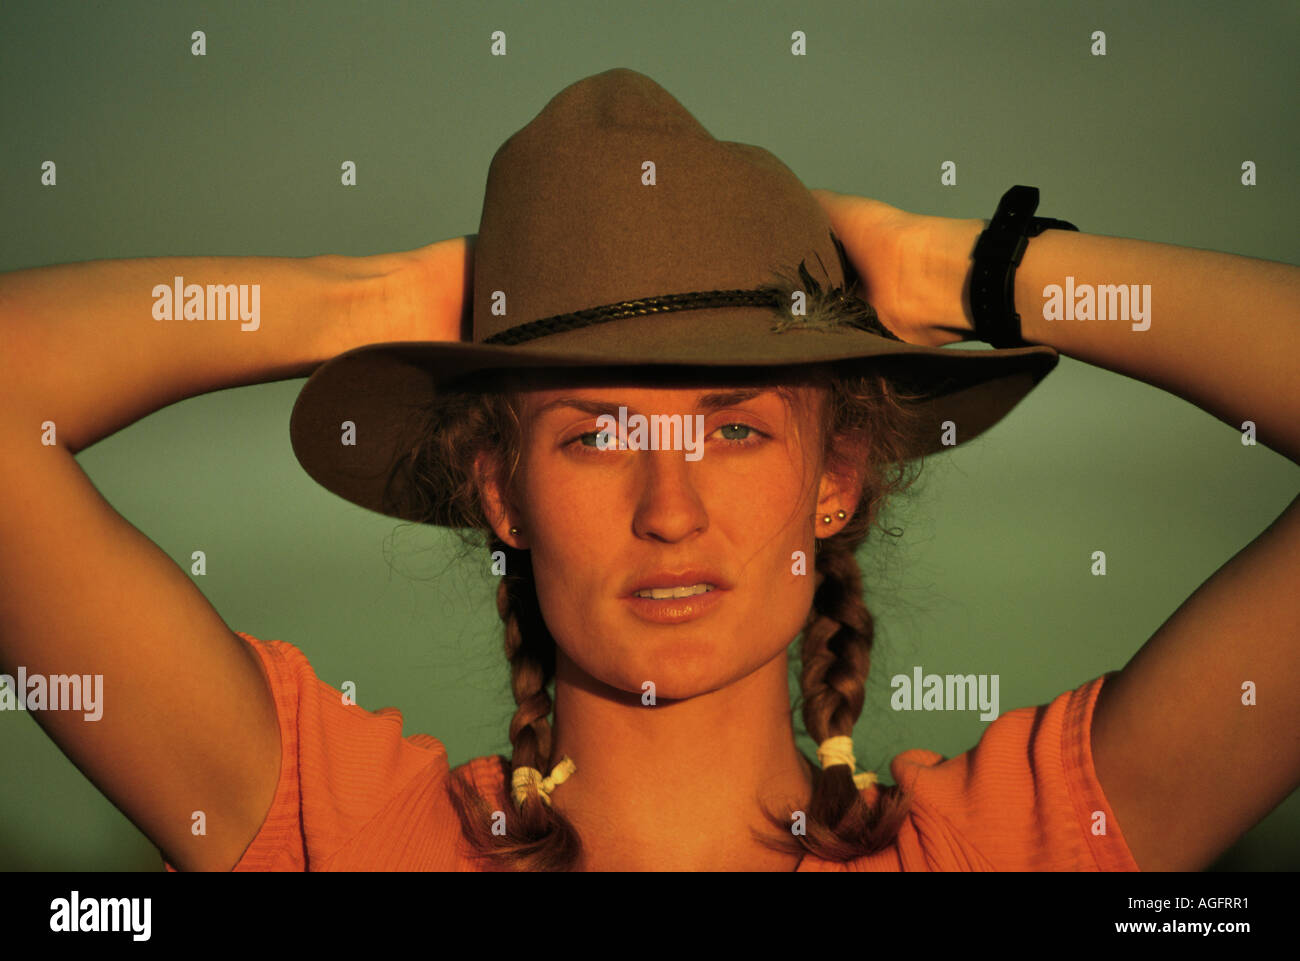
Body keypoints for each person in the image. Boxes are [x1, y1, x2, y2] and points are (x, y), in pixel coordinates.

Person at [1, 68, 1296, 872]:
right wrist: (383, 298)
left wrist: (985, 269)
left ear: (834, 473)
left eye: (735, 425)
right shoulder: (344, 835)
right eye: (593, 430)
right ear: (501, 491)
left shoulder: (1014, 848)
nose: (670, 509)